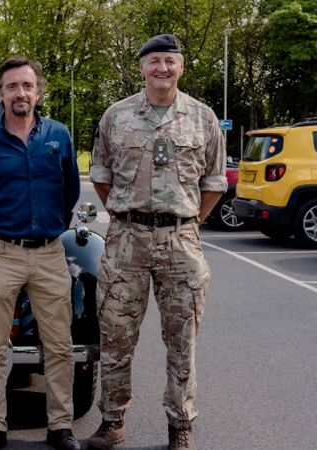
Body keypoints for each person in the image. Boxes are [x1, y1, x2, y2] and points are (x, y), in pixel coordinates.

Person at [88, 34, 227, 450]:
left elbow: (215, 181)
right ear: (142, 68)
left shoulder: (203, 118)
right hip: (126, 241)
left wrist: (189, 221)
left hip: (181, 242)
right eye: (154, 62)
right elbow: (101, 175)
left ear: (181, 67)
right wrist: (129, 216)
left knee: (182, 340)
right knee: (115, 337)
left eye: (170, 61)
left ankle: (180, 425)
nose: (162, 68)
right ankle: (112, 421)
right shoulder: (117, 115)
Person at [0, 57, 87, 450]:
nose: (20, 93)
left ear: (38, 92)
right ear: (0, 94)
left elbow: (70, 193)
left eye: (27, 86)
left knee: (59, 344)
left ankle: (60, 426)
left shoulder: (58, 136)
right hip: (0, 254)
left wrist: (50, 226)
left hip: (48, 253)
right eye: (12, 86)